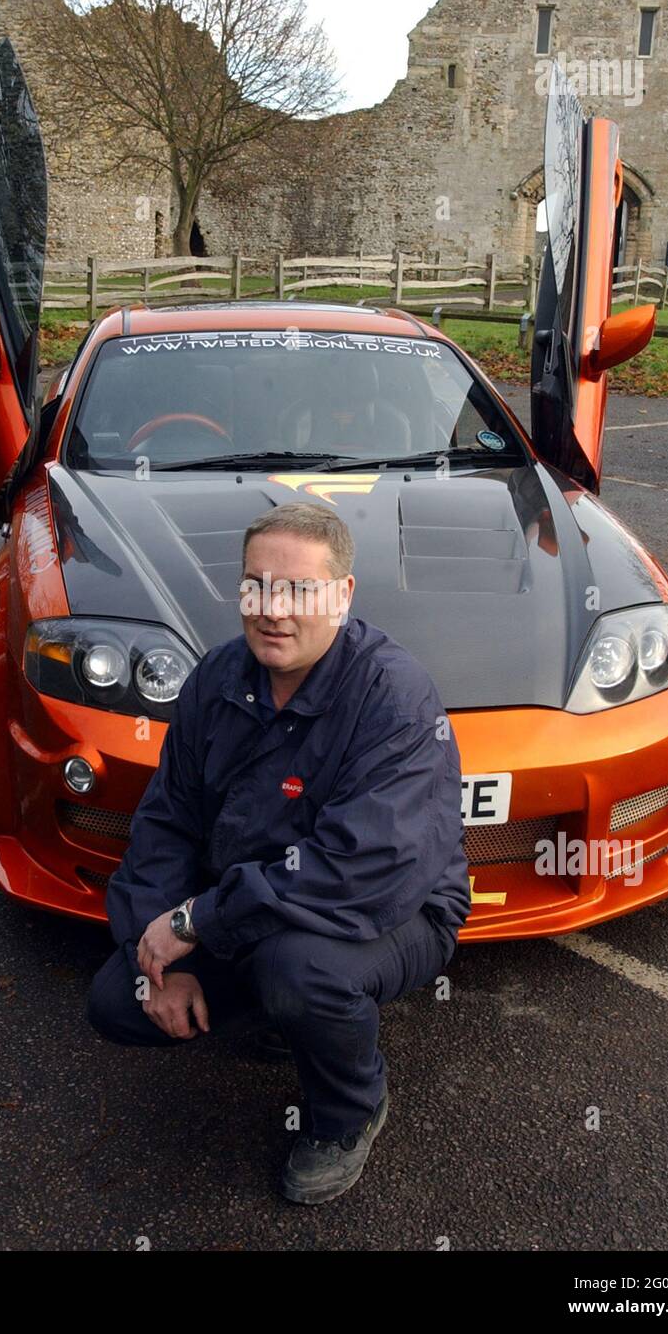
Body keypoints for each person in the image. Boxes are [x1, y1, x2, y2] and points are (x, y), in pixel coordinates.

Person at [87, 502, 471, 1204]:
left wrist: (199, 922)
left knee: (299, 971)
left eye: (299, 590)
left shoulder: (393, 697)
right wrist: (159, 953)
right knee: (119, 1000)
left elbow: (361, 869)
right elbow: (167, 820)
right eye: (256, 586)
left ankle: (349, 1113)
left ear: (343, 595)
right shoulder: (216, 678)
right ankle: (281, 1017)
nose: (273, 609)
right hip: (249, 898)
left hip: (397, 907)